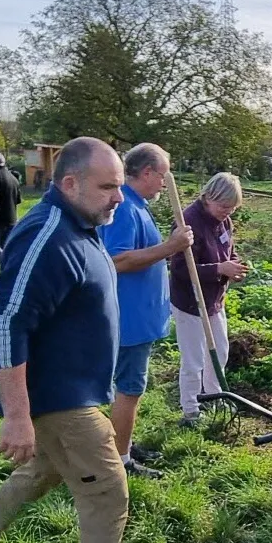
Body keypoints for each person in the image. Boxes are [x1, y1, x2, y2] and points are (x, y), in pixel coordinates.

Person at [0, 137, 158, 543]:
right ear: (70, 182)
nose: (118, 198)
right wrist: (17, 415)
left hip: (70, 389)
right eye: (108, 187)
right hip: (59, 398)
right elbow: (7, 319)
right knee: (106, 489)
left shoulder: (82, 219)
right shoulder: (48, 235)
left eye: (120, 186)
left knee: (40, 472)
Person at [97, 143, 194, 478]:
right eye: (162, 176)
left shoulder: (136, 204)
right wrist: (171, 247)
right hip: (130, 319)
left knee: (130, 386)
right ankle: (119, 461)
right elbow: (117, 260)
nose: (165, 184)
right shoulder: (124, 207)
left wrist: (167, 247)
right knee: (130, 387)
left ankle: (122, 443)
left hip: (140, 317)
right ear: (149, 172)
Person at [170, 172, 248, 428]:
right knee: (193, 360)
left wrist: (233, 266)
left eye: (233, 208)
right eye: (224, 206)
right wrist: (218, 269)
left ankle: (214, 396)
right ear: (208, 197)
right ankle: (191, 411)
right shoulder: (189, 222)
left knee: (220, 351)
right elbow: (180, 268)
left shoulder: (224, 221)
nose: (228, 212)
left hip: (215, 299)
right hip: (191, 303)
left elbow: (229, 249)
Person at [0, 151, 22, 265]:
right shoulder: (13, 177)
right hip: (12, 217)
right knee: (6, 246)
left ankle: (9, 267)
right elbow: (18, 200)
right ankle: (11, 266)